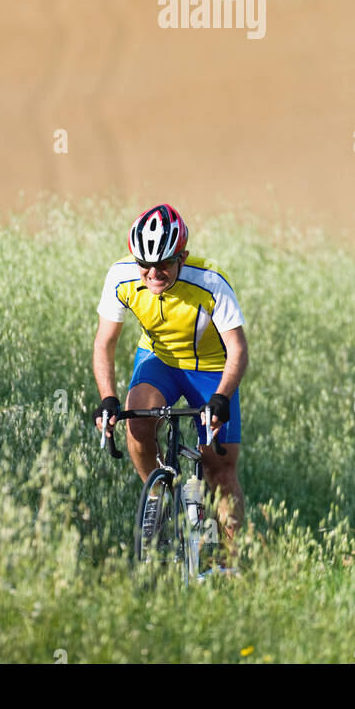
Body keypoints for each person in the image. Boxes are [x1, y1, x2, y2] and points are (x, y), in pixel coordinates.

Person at [93, 203, 248, 546]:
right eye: (144, 265)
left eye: (162, 264)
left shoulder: (210, 281)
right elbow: (105, 342)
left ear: (182, 256)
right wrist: (107, 399)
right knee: (138, 423)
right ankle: (158, 495)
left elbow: (237, 349)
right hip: (159, 360)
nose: (152, 273)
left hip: (210, 369)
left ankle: (232, 563)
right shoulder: (121, 277)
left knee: (219, 469)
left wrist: (221, 399)